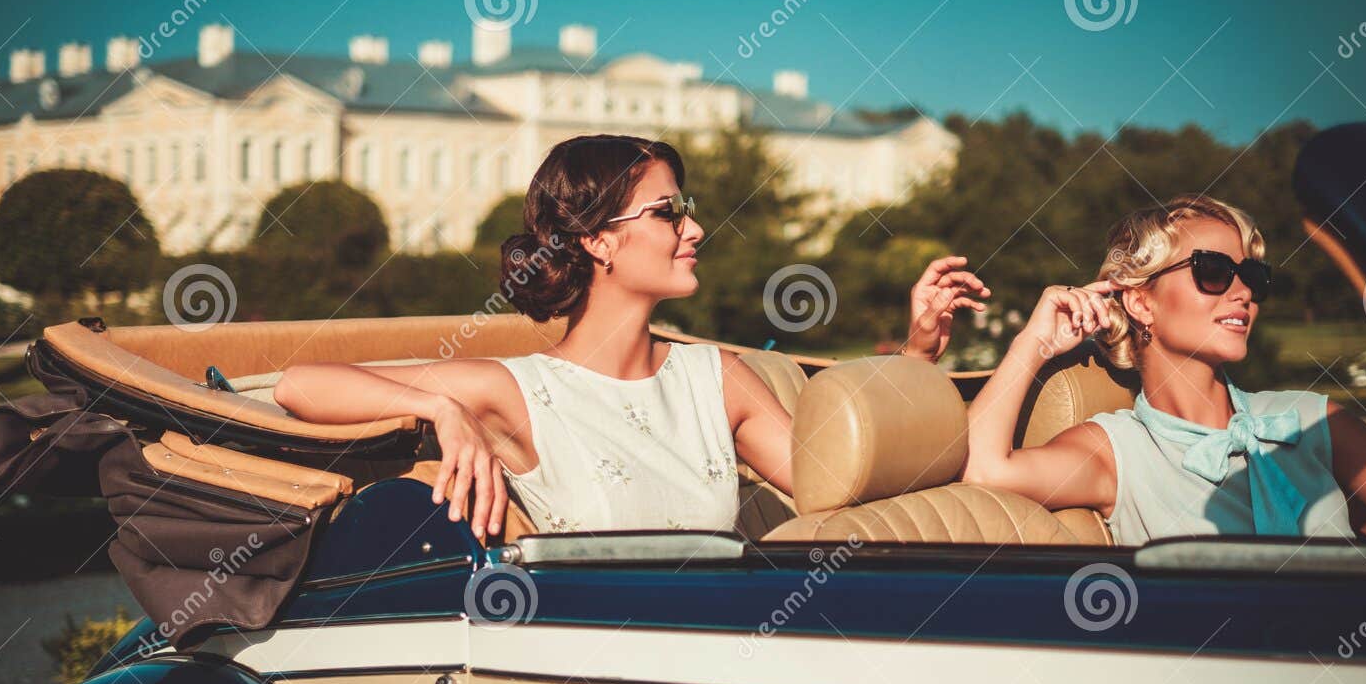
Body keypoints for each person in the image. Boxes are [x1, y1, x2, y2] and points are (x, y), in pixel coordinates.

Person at [274, 133, 982, 537]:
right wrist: (441, 408)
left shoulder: (717, 377)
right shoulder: (516, 390)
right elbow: (297, 383)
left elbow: (834, 478)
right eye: (669, 213)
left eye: (688, 210)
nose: (695, 229)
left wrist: (916, 352)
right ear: (598, 243)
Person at [959, 194, 1366, 544]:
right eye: (1212, 271)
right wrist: (1034, 342)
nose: (1243, 294)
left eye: (1252, 277)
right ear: (1140, 302)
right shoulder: (1116, 451)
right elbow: (984, 470)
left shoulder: (1312, 419)